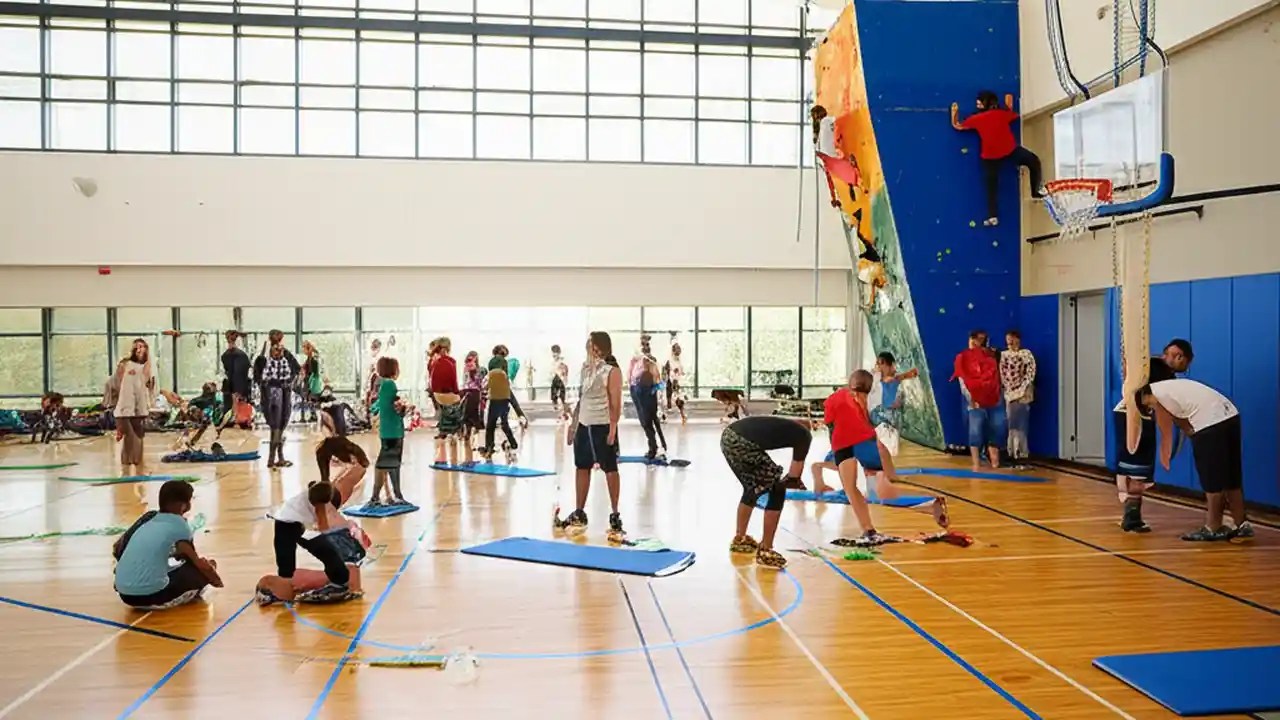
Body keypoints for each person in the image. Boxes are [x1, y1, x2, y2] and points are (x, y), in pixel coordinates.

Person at [825, 371, 949, 544]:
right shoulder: (869, 398)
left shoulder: (837, 397)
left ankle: (870, 528)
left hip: (845, 444)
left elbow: (829, 419)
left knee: (855, 490)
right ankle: (871, 528)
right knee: (882, 488)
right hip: (864, 443)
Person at [1135, 379, 1252, 541]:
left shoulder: (1158, 395)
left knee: (1211, 479)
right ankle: (1242, 524)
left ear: (1144, 396)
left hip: (1209, 422)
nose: (1151, 410)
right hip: (1230, 415)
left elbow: (1182, 426)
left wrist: (1192, 438)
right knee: (1231, 476)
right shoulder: (1169, 387)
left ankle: (1212, 527)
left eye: (1148, 407)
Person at [1113, 339, 1193, 532]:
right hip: (1134, 416)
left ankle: (1132, 514)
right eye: (1185, 361)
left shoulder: (1152, 367)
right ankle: (1131, 516)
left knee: (1137, 466)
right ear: (1179, 356)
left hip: (1132, 415)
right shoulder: (1157, 369)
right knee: (1138, 467)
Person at [113, 480, 222, 609]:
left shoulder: (149, 518)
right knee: (199, 571)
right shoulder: (180, 526)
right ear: (184, 505)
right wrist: (214, 577)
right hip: (149, 596)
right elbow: (196, 563)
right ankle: (187, 594)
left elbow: (118, 548)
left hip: (124, 594)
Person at [722, 415, 812, 569]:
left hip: (728, 438)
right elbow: (793, 477)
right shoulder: (804, 436)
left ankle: (740, 538)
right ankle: (766, 549)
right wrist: (792, 481)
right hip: (743, 444)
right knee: (777, 490)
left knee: (752, 487)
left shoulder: (781, 424)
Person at [950, 90, 1044, 226]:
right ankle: (1035, 192)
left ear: (985, 103)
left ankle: (993, 216)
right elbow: (1013, 114)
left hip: (993, 156)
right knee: (1033, 161)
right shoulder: (1001, 114)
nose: (977, 103)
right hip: (1007, 152)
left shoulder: (978, 118)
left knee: (991, 187)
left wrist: (954, 113)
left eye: (980, 101)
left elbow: (957, 125)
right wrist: (1009, 103)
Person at [565, 331, 625, 538]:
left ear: (599, 347)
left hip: (602, 425)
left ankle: (615, 513)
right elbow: (581, 398)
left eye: (591, 345)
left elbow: (616, 403)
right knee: (582, 466)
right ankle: (580, 511)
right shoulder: (585, 369)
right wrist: (573, 425)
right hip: (584, 423)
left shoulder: (612, 371)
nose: (588, 349)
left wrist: (613, 428)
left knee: (610, 468)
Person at [269, 480, 352, 602]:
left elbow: (323, 522)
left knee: (327, 550)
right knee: (286, 559)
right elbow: (322, 525)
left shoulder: (321, 493)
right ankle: (284, 588)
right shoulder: (298, 510)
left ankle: (340, 581)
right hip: (288, 522)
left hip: (298, 522)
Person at [952, 329, 1005, 471]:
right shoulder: (963, 358)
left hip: (994, 397)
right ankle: (976, 463)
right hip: (976, 399)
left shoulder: (993, 357)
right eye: (972, 341)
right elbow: (963, 380)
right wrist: (971, 398)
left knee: (998, 426)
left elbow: (998, 377)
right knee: (975, 429)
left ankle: (994, 457)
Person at [255, 331, 300, 470]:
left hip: (272, 395)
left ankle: (277, 457)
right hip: (277, 394)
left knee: (277, 427)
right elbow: (295, 371)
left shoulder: (266, 356)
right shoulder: (278, 356)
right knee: (278, 427)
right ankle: (273, 458)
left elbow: (258, 376)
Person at [114, 338, 156, 477]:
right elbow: (120, 383)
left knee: (138, 436)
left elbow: (148, 382)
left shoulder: (146, 366)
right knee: (130, 436)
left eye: (142, 347)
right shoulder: (125, 364)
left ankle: (137, 466)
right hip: (125, 407)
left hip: (139, 406)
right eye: (137, 347)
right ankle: (127, 466)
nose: (139, 349)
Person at [811, 104, 866, 210]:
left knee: (836, 177)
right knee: (849, 173)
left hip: (826, 158)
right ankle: (854, 174)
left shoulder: (817, 132)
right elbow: (839, 118)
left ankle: (850, 179)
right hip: (831, 156)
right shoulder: (825, 121)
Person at [369, 357, 408, 506]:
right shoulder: (390, 384)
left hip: (386, 431)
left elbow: (377, 406)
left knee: (390, 464)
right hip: (394, 430)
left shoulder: (381, 385)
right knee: (387, 465)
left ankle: (394, 494)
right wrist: (404, 407)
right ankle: (378, 497)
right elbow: (396, 408)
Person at [1000, 330, 1036, 468]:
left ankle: (1022, 453)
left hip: (1022, 397)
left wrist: (1022, 391)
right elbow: (1003, 375)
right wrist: (1008, 392)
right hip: (1009, 396)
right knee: (1012, 425)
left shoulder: (1025, 354)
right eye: (1008, 339)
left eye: (1012, 339)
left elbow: (1030, 374)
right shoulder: (1004, 355)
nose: (1010, 342)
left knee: (1021, 425)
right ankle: (1012, 453)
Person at [429, 337, 463, 466]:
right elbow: (454, 383)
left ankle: (440, 457)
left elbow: (431, 381)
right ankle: (455, 457)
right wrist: (457, 393)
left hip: (437, 395)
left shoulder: (433, 362)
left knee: (444, 419)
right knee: (456, 419)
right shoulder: (451, 362)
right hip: (450, 396)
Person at [482, 353, 519, 461]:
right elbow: (508, 387)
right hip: (505, 402)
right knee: (504, 424)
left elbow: (485, 387)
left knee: (490, 425)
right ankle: (513, 443)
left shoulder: (490, 374)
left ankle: (489, 447)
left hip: (494, 402)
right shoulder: (504, 375)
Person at [460, 351, 487, 463]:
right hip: (469, 393)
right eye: (469, 360)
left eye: (472, 360)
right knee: (469, 417)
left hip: (476, 394)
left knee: (476, 419)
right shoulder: (466, 370)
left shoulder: (480, 370)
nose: (470, 362)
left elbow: (482, 382)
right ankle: (469, 437)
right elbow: (466, 381)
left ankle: (481, 444)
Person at [220, 330, 251, 422]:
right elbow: (244, 371)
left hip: (231, 383)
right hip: (239, 382)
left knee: (234, 399)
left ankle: (233, 416)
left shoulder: (225, 355)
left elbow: (227, 370)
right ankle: (238, 416)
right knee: (238, 399)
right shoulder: (241, 355)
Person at [664, 342, 688, 425]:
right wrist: (672, 374)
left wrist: (680, 374)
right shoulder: (669, 361)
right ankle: (665, 416)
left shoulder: (679, 361)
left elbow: (681, 372)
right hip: (671, 382)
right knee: (669, 400)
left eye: (679, 349)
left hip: (677, 382)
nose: (679, 351)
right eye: (677, 349)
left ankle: (683, 415)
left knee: (679, 399)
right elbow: (666, 372)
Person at [300, 340, 323, 424]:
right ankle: (313, 415)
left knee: (313, 398)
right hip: (310, 380)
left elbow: (314, 372)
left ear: (307, 348)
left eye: (304, 348)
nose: (303, 351)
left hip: (312, 381)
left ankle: (315, 416)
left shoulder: (313, 359)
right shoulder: (310, 358)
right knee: (311, 399)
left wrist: (310, 382)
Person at [550, 345, 570, 421]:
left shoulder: (562, 362)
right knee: (555, 399)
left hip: (560, 380)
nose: (554, 355)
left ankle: (562, 414)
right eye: (553, 353)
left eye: (555, 353)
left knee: (561, 399)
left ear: (559, 353)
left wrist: (565, 379)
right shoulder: (553, 362)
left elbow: (565, 372)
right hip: (555, 381)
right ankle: (561, 414)